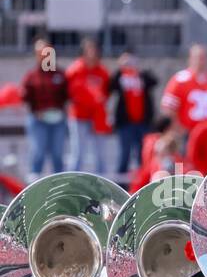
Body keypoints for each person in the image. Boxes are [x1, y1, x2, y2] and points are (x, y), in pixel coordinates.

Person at [20, 37, 67, 180]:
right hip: (38, 120)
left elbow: (67, 95)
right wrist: (37, 111)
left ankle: (61, 184)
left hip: (57, 120)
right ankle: (33, 188)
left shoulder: (59, 74)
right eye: (41, 52)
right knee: (38, 153)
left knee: (57, 154)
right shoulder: (32, 76)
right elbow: (25, 96)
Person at [65, 37, 110, 176]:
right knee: (78, 153)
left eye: (94, 49)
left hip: (97, 117)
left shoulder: (102, 71)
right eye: (88, 49)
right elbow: (69, 93)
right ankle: (71, 184)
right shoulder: (75, 70)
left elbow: (106, 92)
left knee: (100, 154)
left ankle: (103, 187)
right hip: (79, 116)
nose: (91, 53)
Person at [161, 44, 207, 134]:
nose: (200, 61)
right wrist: (178, 130)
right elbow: (168, 109)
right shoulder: (180, 80)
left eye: (203, 57)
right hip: (188, 132)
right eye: (197, 57)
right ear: (190, 59)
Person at [109, 52, 158, 177]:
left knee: (143, 154)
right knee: (124, 154)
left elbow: (154, 81)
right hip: (125, 123)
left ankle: (143, 180)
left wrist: (139, 70)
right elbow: (111, 85)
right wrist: (121, 68)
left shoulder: (142, 76)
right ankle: (121, 184)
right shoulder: (121, 77)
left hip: (142, 123)